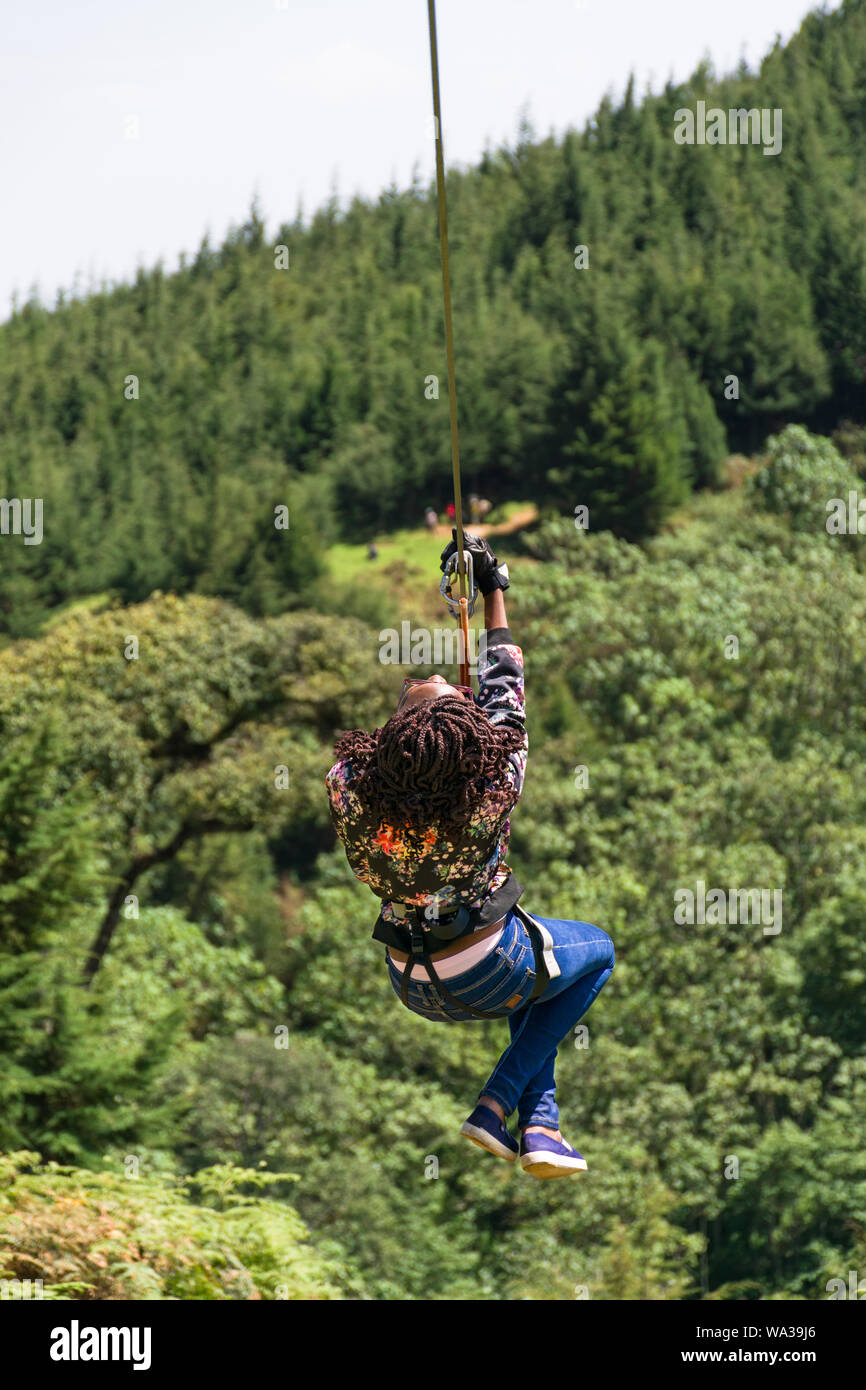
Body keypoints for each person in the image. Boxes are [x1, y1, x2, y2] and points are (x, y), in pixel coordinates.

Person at [325, 532, 614, 1178]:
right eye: (425, 689)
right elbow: (506, 683)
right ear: (462, 739)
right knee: (596, 954)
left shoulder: (359, 800)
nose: (417, 679)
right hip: (488, 965)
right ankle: (496, 1104)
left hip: (412, 979)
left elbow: (356, 764)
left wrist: (440, 715)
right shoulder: (493, 780)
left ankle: (542, 1126)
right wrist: (493, 591)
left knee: (538, 978)